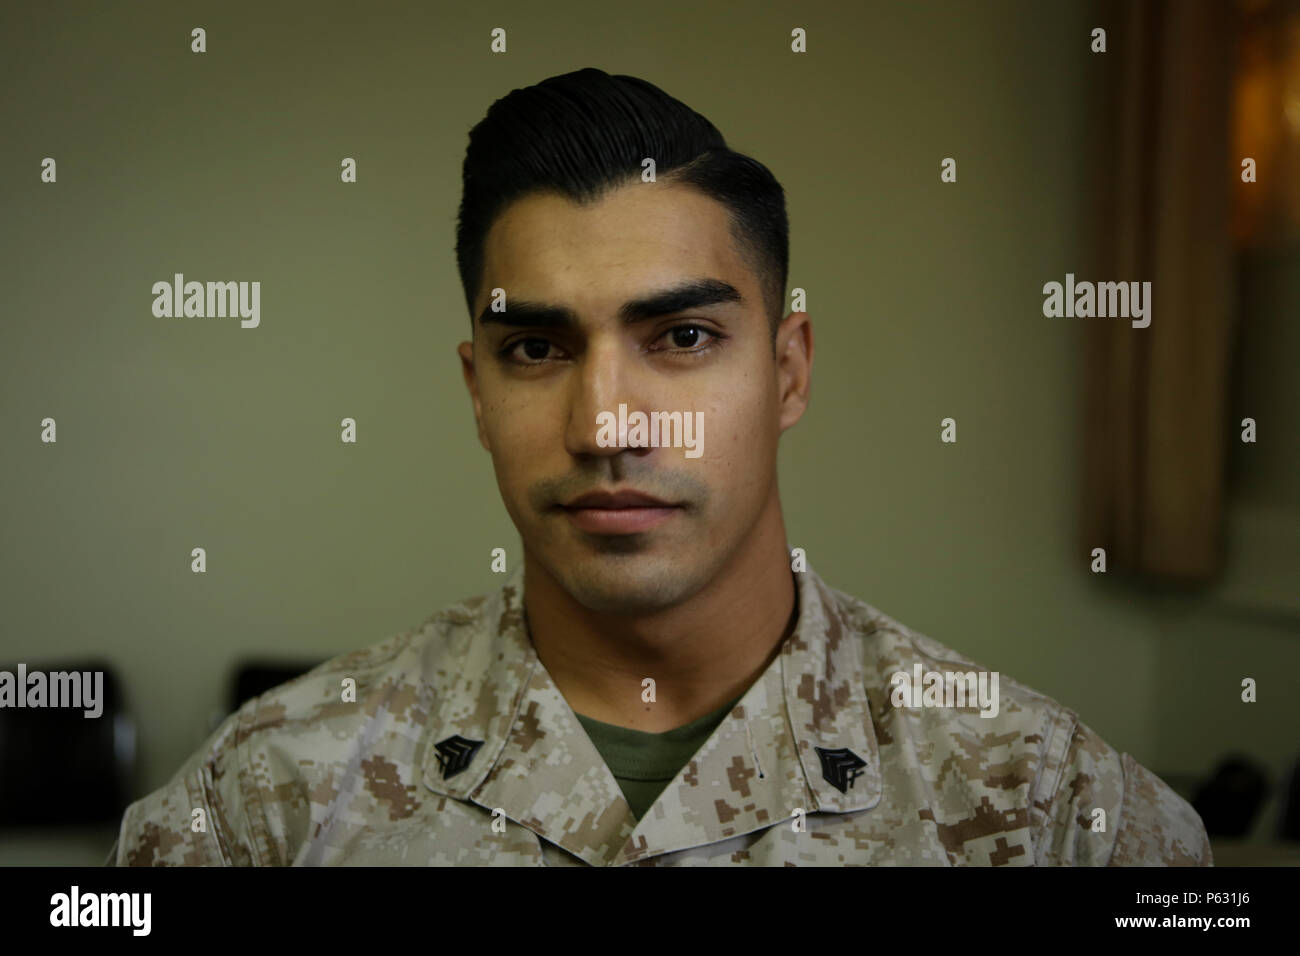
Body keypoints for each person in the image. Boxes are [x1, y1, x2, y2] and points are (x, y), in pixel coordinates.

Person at [109, 67, 1211, 866]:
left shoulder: (1056, 810)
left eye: (681, 338)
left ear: (787, 371)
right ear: (477, 393)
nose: (605, 425)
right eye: (536, 349)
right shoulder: (264, 805)